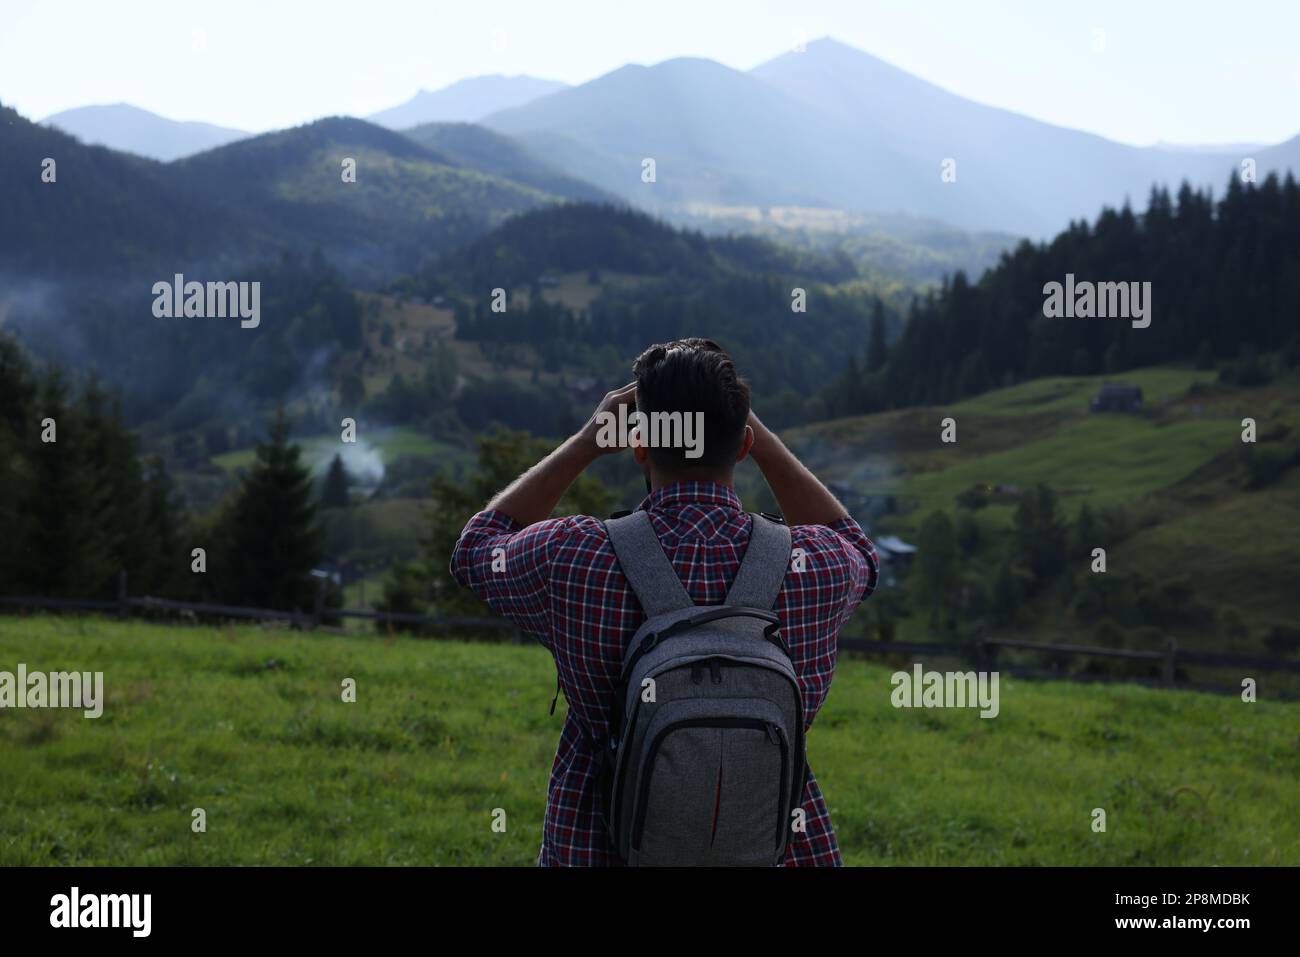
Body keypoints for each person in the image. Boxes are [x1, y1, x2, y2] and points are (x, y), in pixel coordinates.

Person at [450, 338, 878, 865]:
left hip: (599, 849)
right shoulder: (815, 568)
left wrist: (587, 439)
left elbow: (476, 548)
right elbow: (861, 550)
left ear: (640, 450)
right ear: (741, 446)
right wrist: (760, 438)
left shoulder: (575, 556)